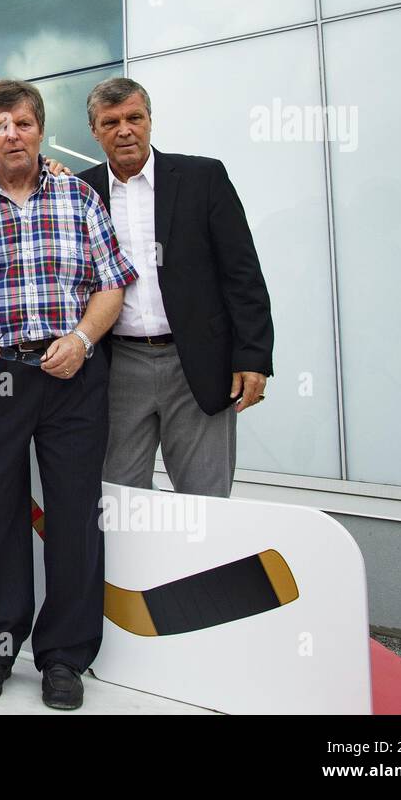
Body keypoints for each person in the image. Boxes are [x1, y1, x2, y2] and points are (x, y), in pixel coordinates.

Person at [0, 80, 137, 710]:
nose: (12, 135)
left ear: (39, 129)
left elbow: (112, 285)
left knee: (75, 514)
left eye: (23, 124)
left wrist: (83, 340)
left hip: (70, 375)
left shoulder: (80, 196)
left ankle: (63, 657)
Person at [77, 78, 273, 498]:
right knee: (118, 498)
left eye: (135, 118)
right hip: (117, 369)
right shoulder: (78, 192)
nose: (124, 130)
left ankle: (206, 568)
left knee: (205, 500)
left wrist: (253, 356)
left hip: (198, 364)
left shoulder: (203, 177)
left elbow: (242, 273)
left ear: (150, 121)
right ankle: (128, 569)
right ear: (94, 130)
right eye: (110, 122)